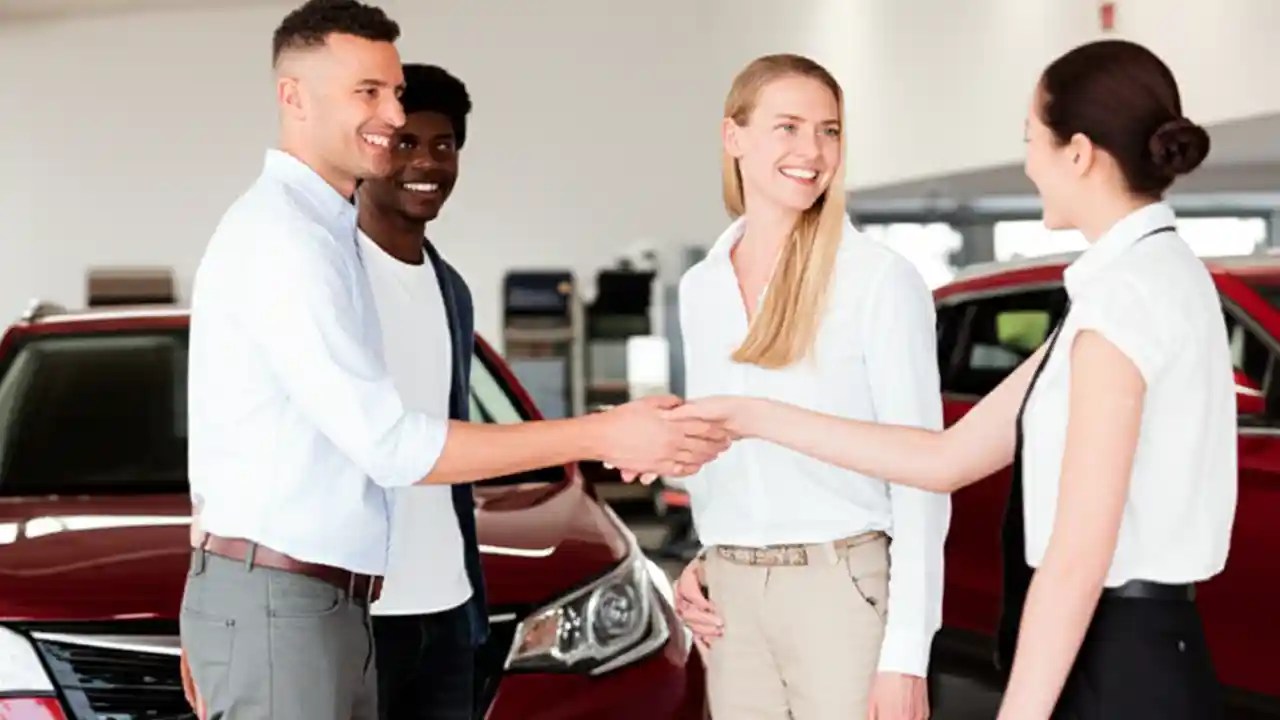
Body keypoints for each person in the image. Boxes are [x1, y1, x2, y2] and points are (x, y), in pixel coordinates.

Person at [179, 2, 727, 719]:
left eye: (393, 90)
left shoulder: (330, 236)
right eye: (365, 93)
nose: (390, 114)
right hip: (287, 599)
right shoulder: (289, 241)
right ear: (293, 97)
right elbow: (391, 443)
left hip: (322, 600)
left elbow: (238, 435)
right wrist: (601, 433)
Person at [671, 39, 1232, 719]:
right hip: (1129, 647)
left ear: (1077, 153)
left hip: (1122, 652)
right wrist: (747, 417)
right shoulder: (1134, 285)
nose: (1027, 164)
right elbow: (945, 459)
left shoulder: (1126, 302)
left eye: (1030, 139)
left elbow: (1077, 559)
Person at [663, 53, 950, 720]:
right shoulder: (701, 287)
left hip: (842, 590)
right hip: (732, 597)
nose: (812, 150)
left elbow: (923, 477)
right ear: (734, 137)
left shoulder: (878, 280)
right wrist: (707, 556)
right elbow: (722, 448)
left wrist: (907, 653)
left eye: (829, 130)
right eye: (787, 127)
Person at [352, 62, 484, 720]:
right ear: (372, 149)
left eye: (443, 145)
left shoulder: (451, 288)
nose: (426, 162)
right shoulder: (328, 275)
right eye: (406, 143)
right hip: (356, 615)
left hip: (449, 608)